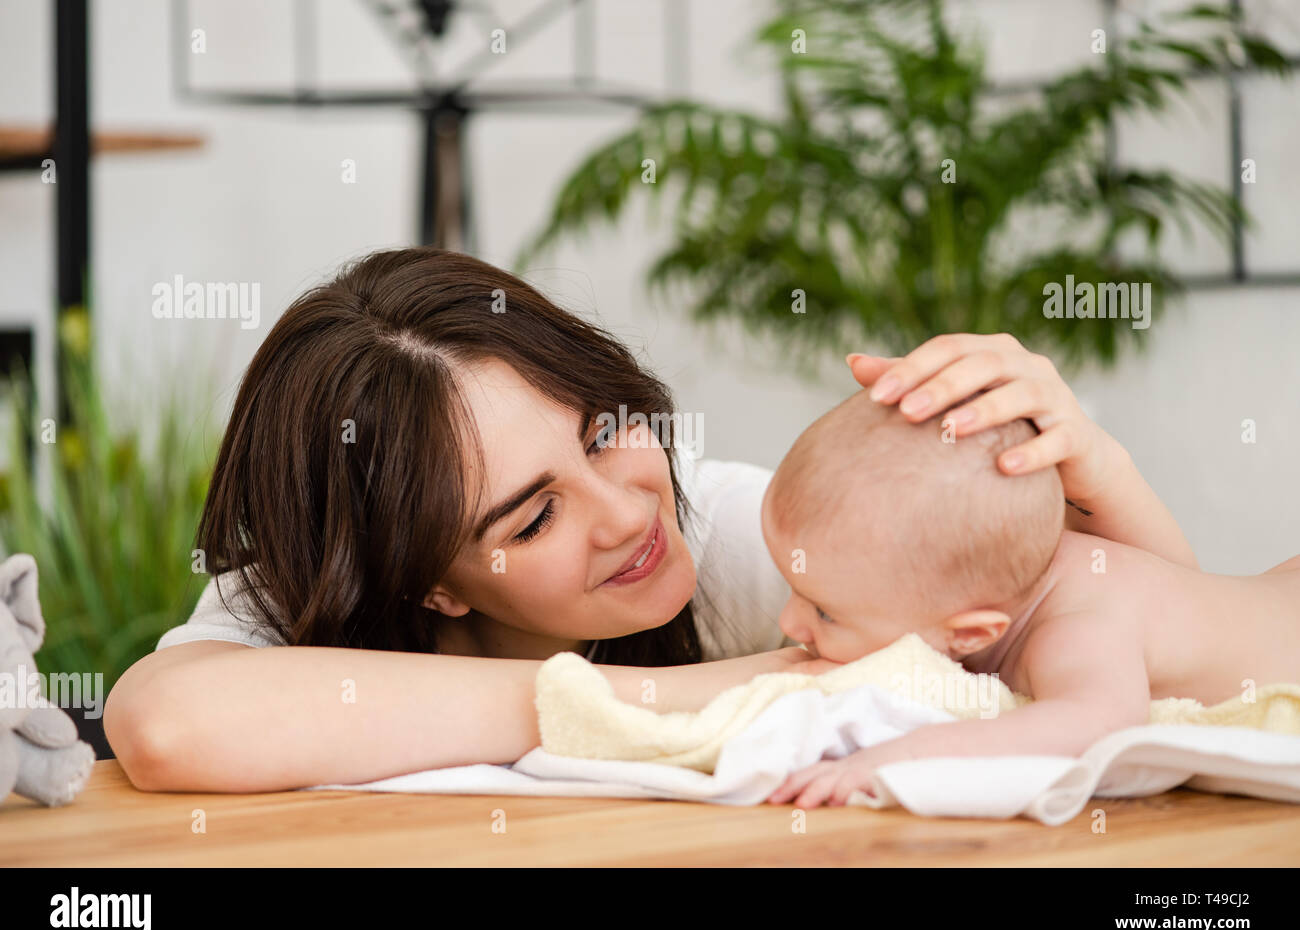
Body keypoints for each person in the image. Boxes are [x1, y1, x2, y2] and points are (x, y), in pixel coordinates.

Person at [103, 246, 1198, 792]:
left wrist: (1100, 466)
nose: (630, 513)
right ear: (429, 582)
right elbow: (163, 726)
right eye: (531, 520)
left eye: (602, 432)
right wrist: (679, 697)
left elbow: (1153, 677)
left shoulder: (734, 537)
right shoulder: (316, 590)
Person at [758, 392, 1297, 807]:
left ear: (970, 632)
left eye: (823, 609)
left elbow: (1103, 723)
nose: (789, 621)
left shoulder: (1073, 631)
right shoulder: (1006, 563)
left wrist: (896, 759)